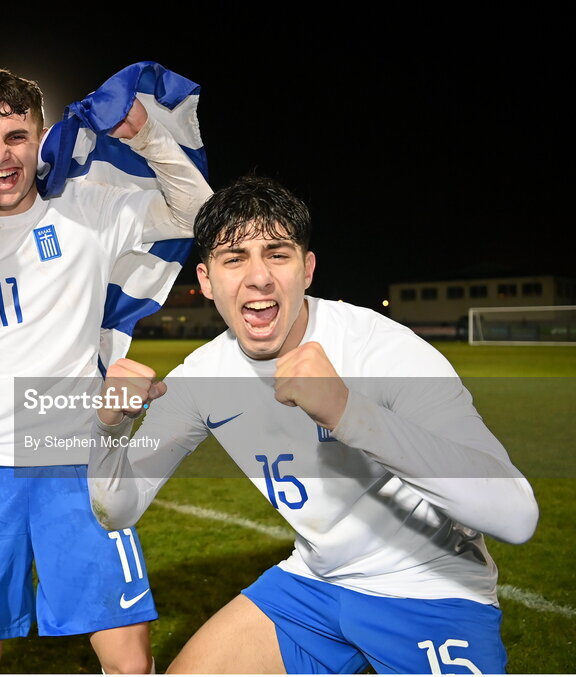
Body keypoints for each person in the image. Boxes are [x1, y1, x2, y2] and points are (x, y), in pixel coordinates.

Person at [88, 175, 540, 674]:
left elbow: (516, 516)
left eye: (277, 254)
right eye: (234, 257)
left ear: (307, 269)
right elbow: (119, 509)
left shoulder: (382, 349)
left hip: (431, 588)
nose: (258, 277)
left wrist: (349, 412)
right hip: (315, 583)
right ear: (208, 280)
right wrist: (109, 431)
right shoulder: (199, 379)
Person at [0, 68, 212, 674]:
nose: (0, 155)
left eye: (15, 136)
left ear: (40, 137)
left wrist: (146, 138)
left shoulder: (88, 208)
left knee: (128, 660)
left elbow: (197, 214)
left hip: (77, 452)